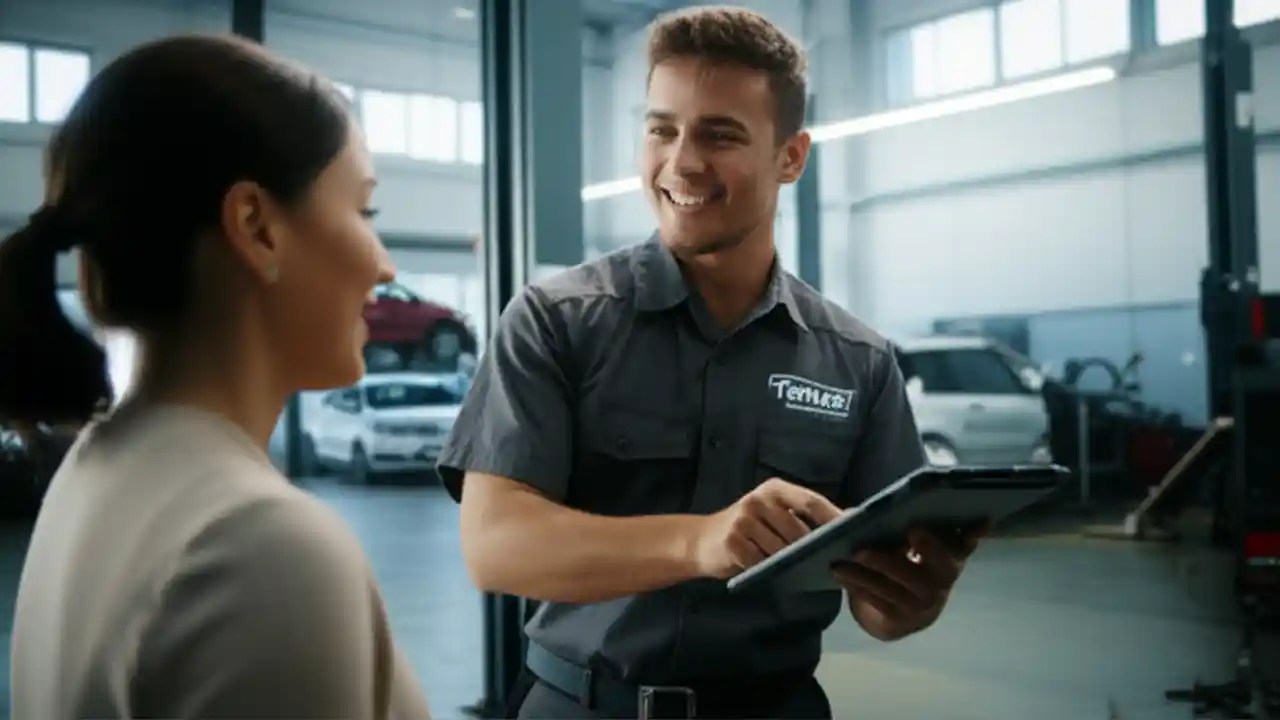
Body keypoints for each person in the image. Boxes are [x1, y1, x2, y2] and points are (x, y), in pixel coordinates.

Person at [437, 7, 986, 719]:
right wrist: (699, 540)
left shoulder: (859, 361)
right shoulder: (556, 322)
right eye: (662, 129)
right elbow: (495, 547)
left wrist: (915, 599)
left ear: (791, 157)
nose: (682, 162)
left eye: (720, 135)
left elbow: (879, 609)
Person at [0, 35, 431, 719]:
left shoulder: (98, 467)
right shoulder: (261, 542)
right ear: (257, 226)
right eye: (363, 211)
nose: (384, 265)